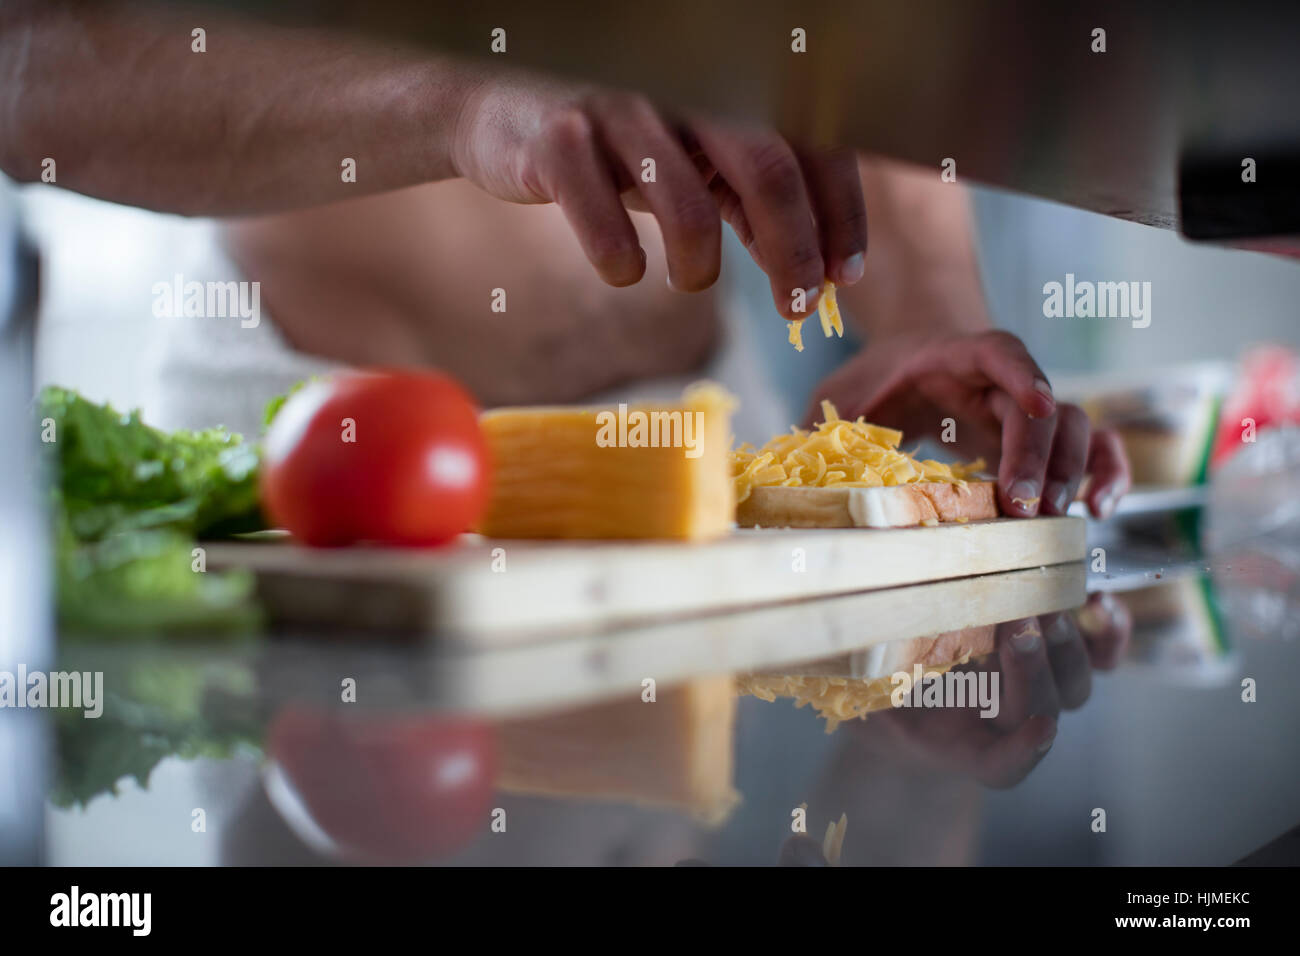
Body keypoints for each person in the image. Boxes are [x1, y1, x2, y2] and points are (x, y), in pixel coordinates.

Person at [1, 2, 1129, 518]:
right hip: (321, 461)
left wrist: (920, 315)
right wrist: (458, 98)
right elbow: (27, 60)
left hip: (692, 439)